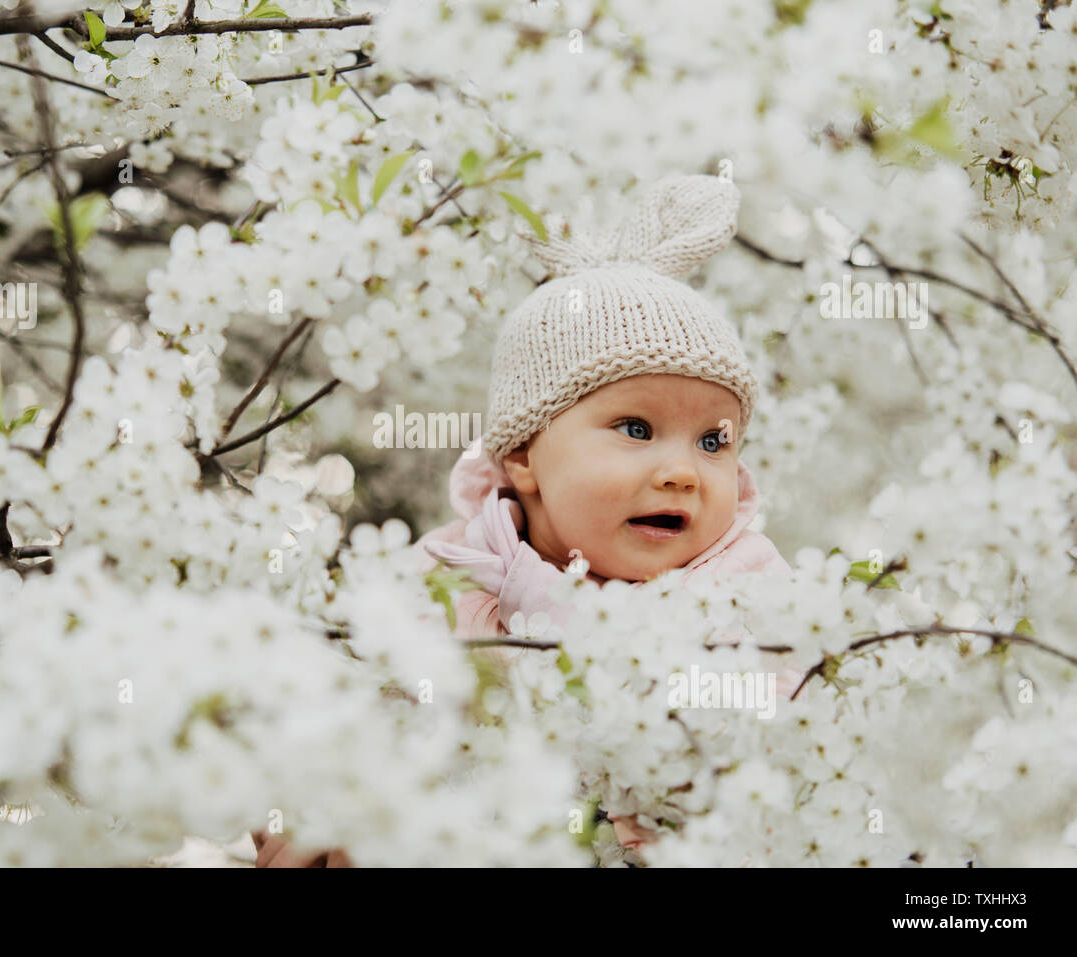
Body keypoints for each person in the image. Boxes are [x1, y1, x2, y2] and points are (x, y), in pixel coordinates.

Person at [255, 172, 798, 866]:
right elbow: (334, 705)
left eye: (714, 441)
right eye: (636, 427)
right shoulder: (442, 577)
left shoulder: (746, 590)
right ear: (521, 456)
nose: (683, 470)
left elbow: (768, 754)